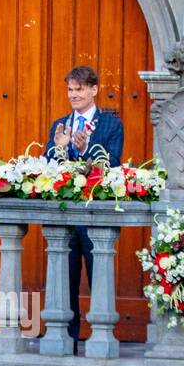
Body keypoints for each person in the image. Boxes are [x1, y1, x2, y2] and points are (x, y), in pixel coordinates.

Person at [43, 67, 125, 348]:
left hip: (95, 216)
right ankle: (67, 337)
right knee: (64, 278)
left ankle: (100, 338)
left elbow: (113, 162)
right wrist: (60, 149)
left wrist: (88, 147)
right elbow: (48, 167)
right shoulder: (60, 124)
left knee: (97, 275)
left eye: (79, 89)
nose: (74, 95)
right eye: (70, 90)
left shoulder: (111, 125)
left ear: (94, 90)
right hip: (63, 215)